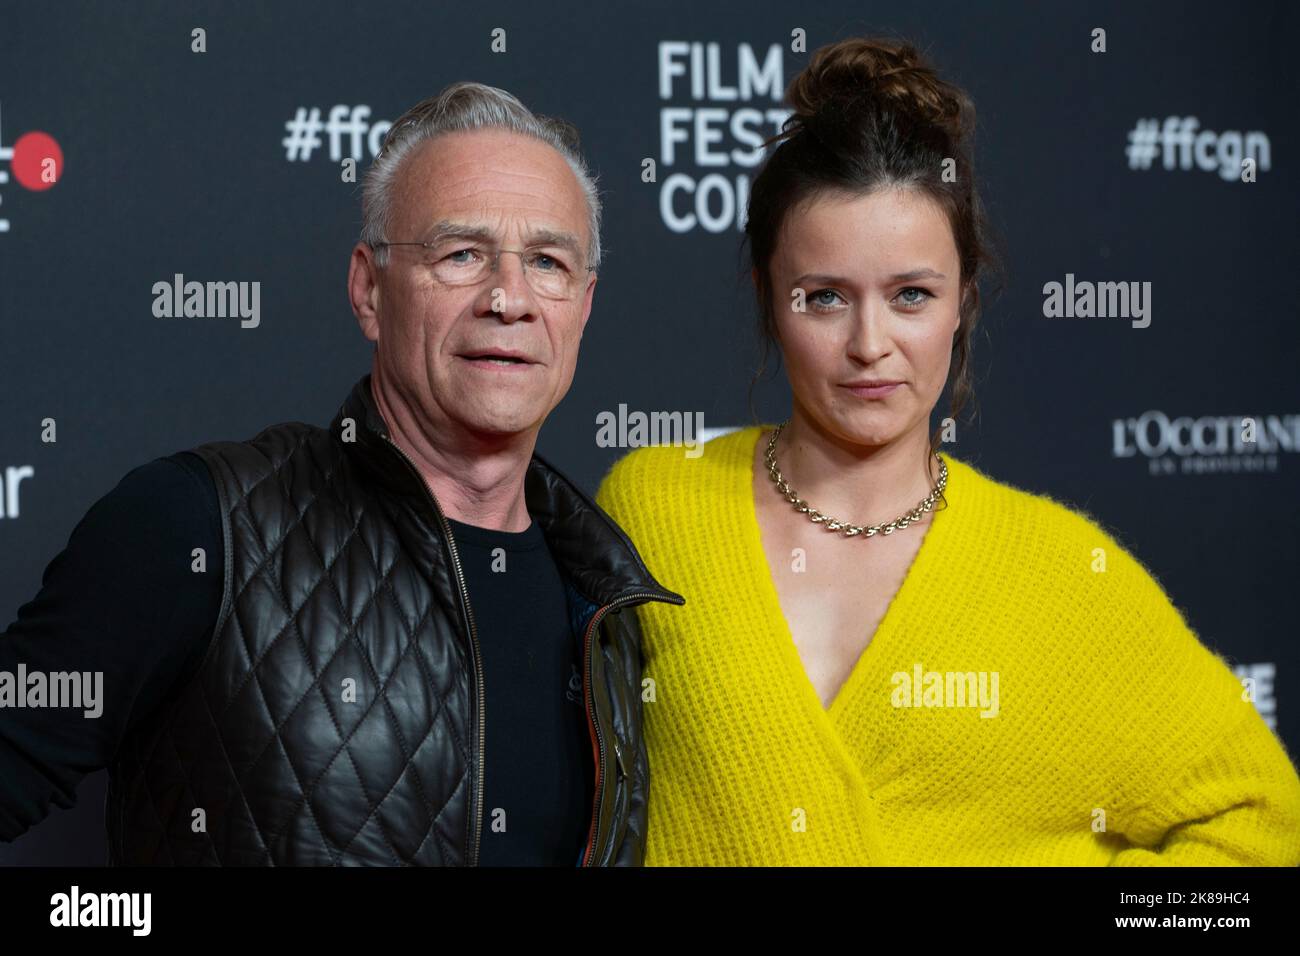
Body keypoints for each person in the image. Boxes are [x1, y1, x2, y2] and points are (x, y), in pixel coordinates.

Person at [595, 36, 1300, 865]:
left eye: (911, 297)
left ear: (963, 301)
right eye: (823, 297)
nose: (870, 344)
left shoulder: (1065, 573)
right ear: (767, 298)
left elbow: (1262, 828)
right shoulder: (654, 505)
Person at [0, 81, 682, 866]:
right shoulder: (201, 524)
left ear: (584, 305)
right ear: (368, 289)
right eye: (461, 254)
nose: (509, 299)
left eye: (548, 262)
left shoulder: (606, 603)